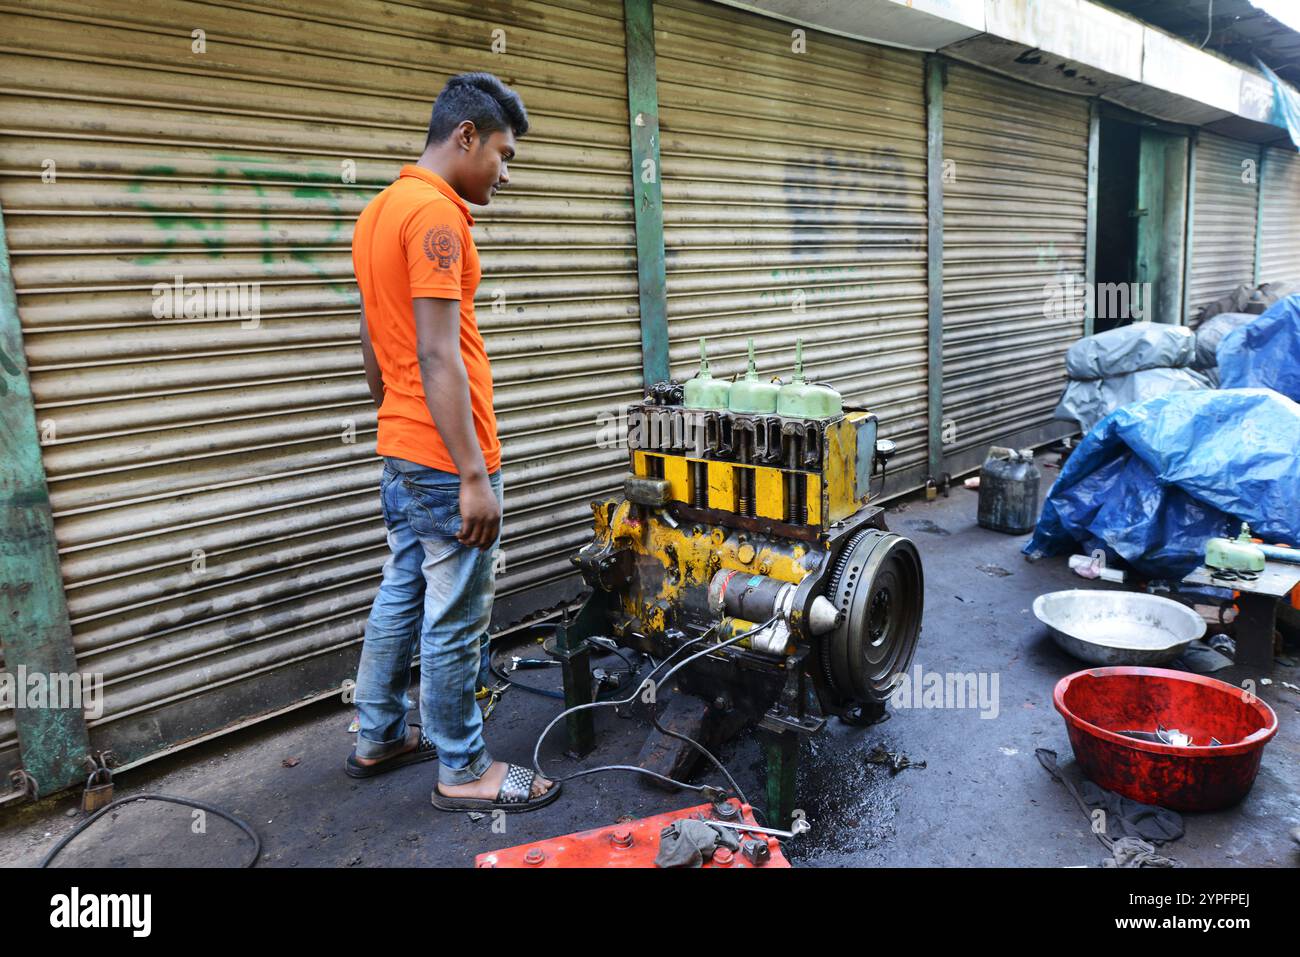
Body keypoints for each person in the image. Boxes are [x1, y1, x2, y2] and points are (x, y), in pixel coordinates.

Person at [344, 72, 558, 812]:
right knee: (456, 609)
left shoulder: (377, 211)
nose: (504, 171)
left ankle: (377, 734)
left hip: (403, 446)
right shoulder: (437, 218)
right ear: (464, 136)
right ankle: (463, 768)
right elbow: (437, 353)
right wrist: (472, 474)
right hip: (444, 457)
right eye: (502, 154)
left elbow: (375, 339)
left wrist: (393, 414)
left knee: (402, 588)